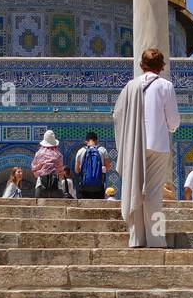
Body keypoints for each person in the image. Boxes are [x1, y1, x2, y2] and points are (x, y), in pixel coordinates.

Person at [112, 47, 180, 248]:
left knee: (135, 190)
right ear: (162, 67)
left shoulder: (130, 87)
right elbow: (174, 122)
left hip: (134, 145)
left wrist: (126, 139)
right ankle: (156, 238)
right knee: (153, 194)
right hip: (158, 145)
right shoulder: (166, 86)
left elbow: (117, 115)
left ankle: (136, 238)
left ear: (141, 65)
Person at [75, 132, 112, 199]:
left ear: (86, 141)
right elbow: (108, 167)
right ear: (97, 141)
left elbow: (77, 170)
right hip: (99, 187)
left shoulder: (80, 151)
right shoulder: (102, 150)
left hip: (84, 187)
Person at [32, 130, 66, 198]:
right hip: (56, 185)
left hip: (41, 185)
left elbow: (34, 169)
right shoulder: (58, 155)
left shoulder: (39, 154)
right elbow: (60, 171)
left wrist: (42, 173)